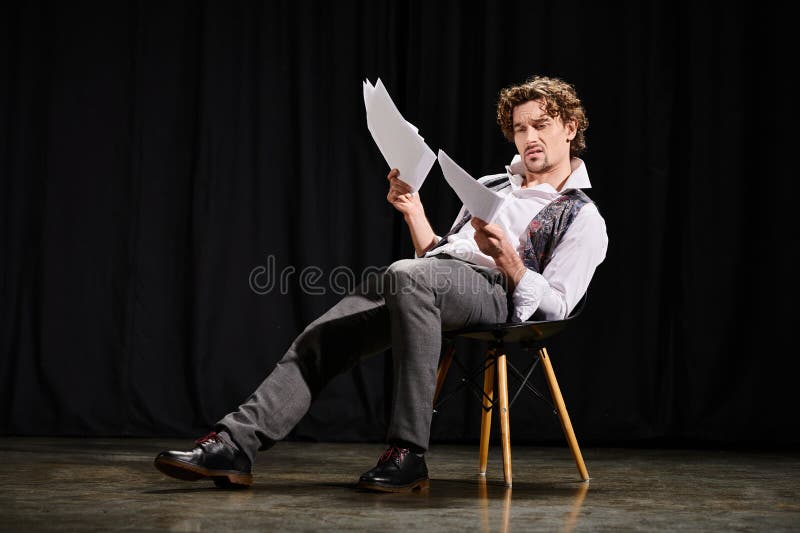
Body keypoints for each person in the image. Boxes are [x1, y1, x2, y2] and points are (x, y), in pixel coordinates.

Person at [153, 74, 608, 492]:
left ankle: (408, 453)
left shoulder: (582, 216)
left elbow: (557, 307)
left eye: (541, 125)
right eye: (520, 128)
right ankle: (235, 445)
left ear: (569, 127)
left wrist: (509, 260)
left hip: (497, 293)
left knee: (406, 277)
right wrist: (413, 209)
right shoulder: (494, 184)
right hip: (431, 282)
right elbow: (436, 256)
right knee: (324, 338)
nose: (529, 137)